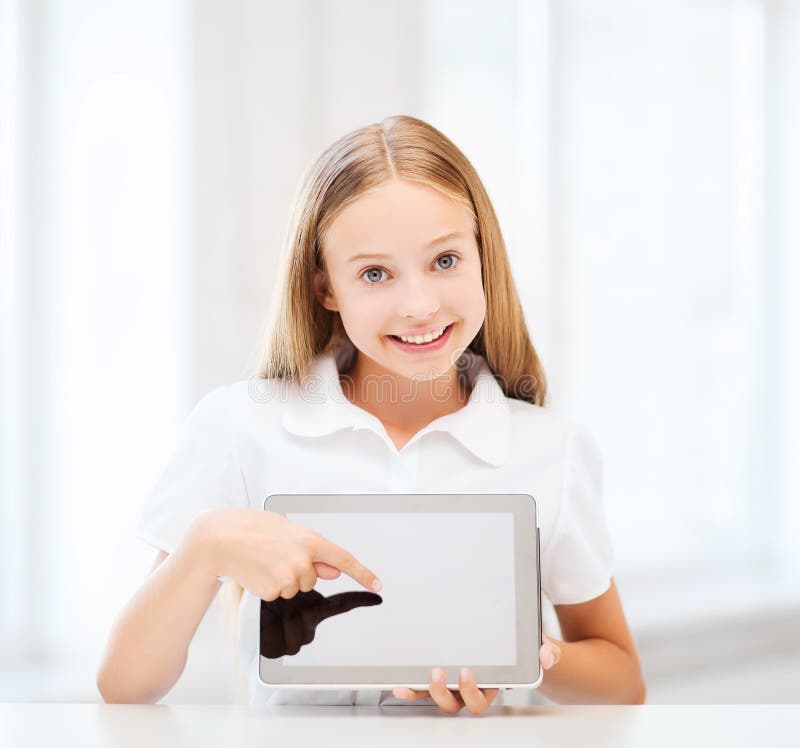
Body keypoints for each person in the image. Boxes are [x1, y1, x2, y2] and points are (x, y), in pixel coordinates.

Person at [96, 114, 646, 713]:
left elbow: (622, 683)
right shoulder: (239, 428)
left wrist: (522, 655)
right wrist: (201, 550)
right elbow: (125, 685)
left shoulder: (551, 448)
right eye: (375, 273)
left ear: (482, 256)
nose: (419, 305)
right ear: (325, 289)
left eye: (445, 261)